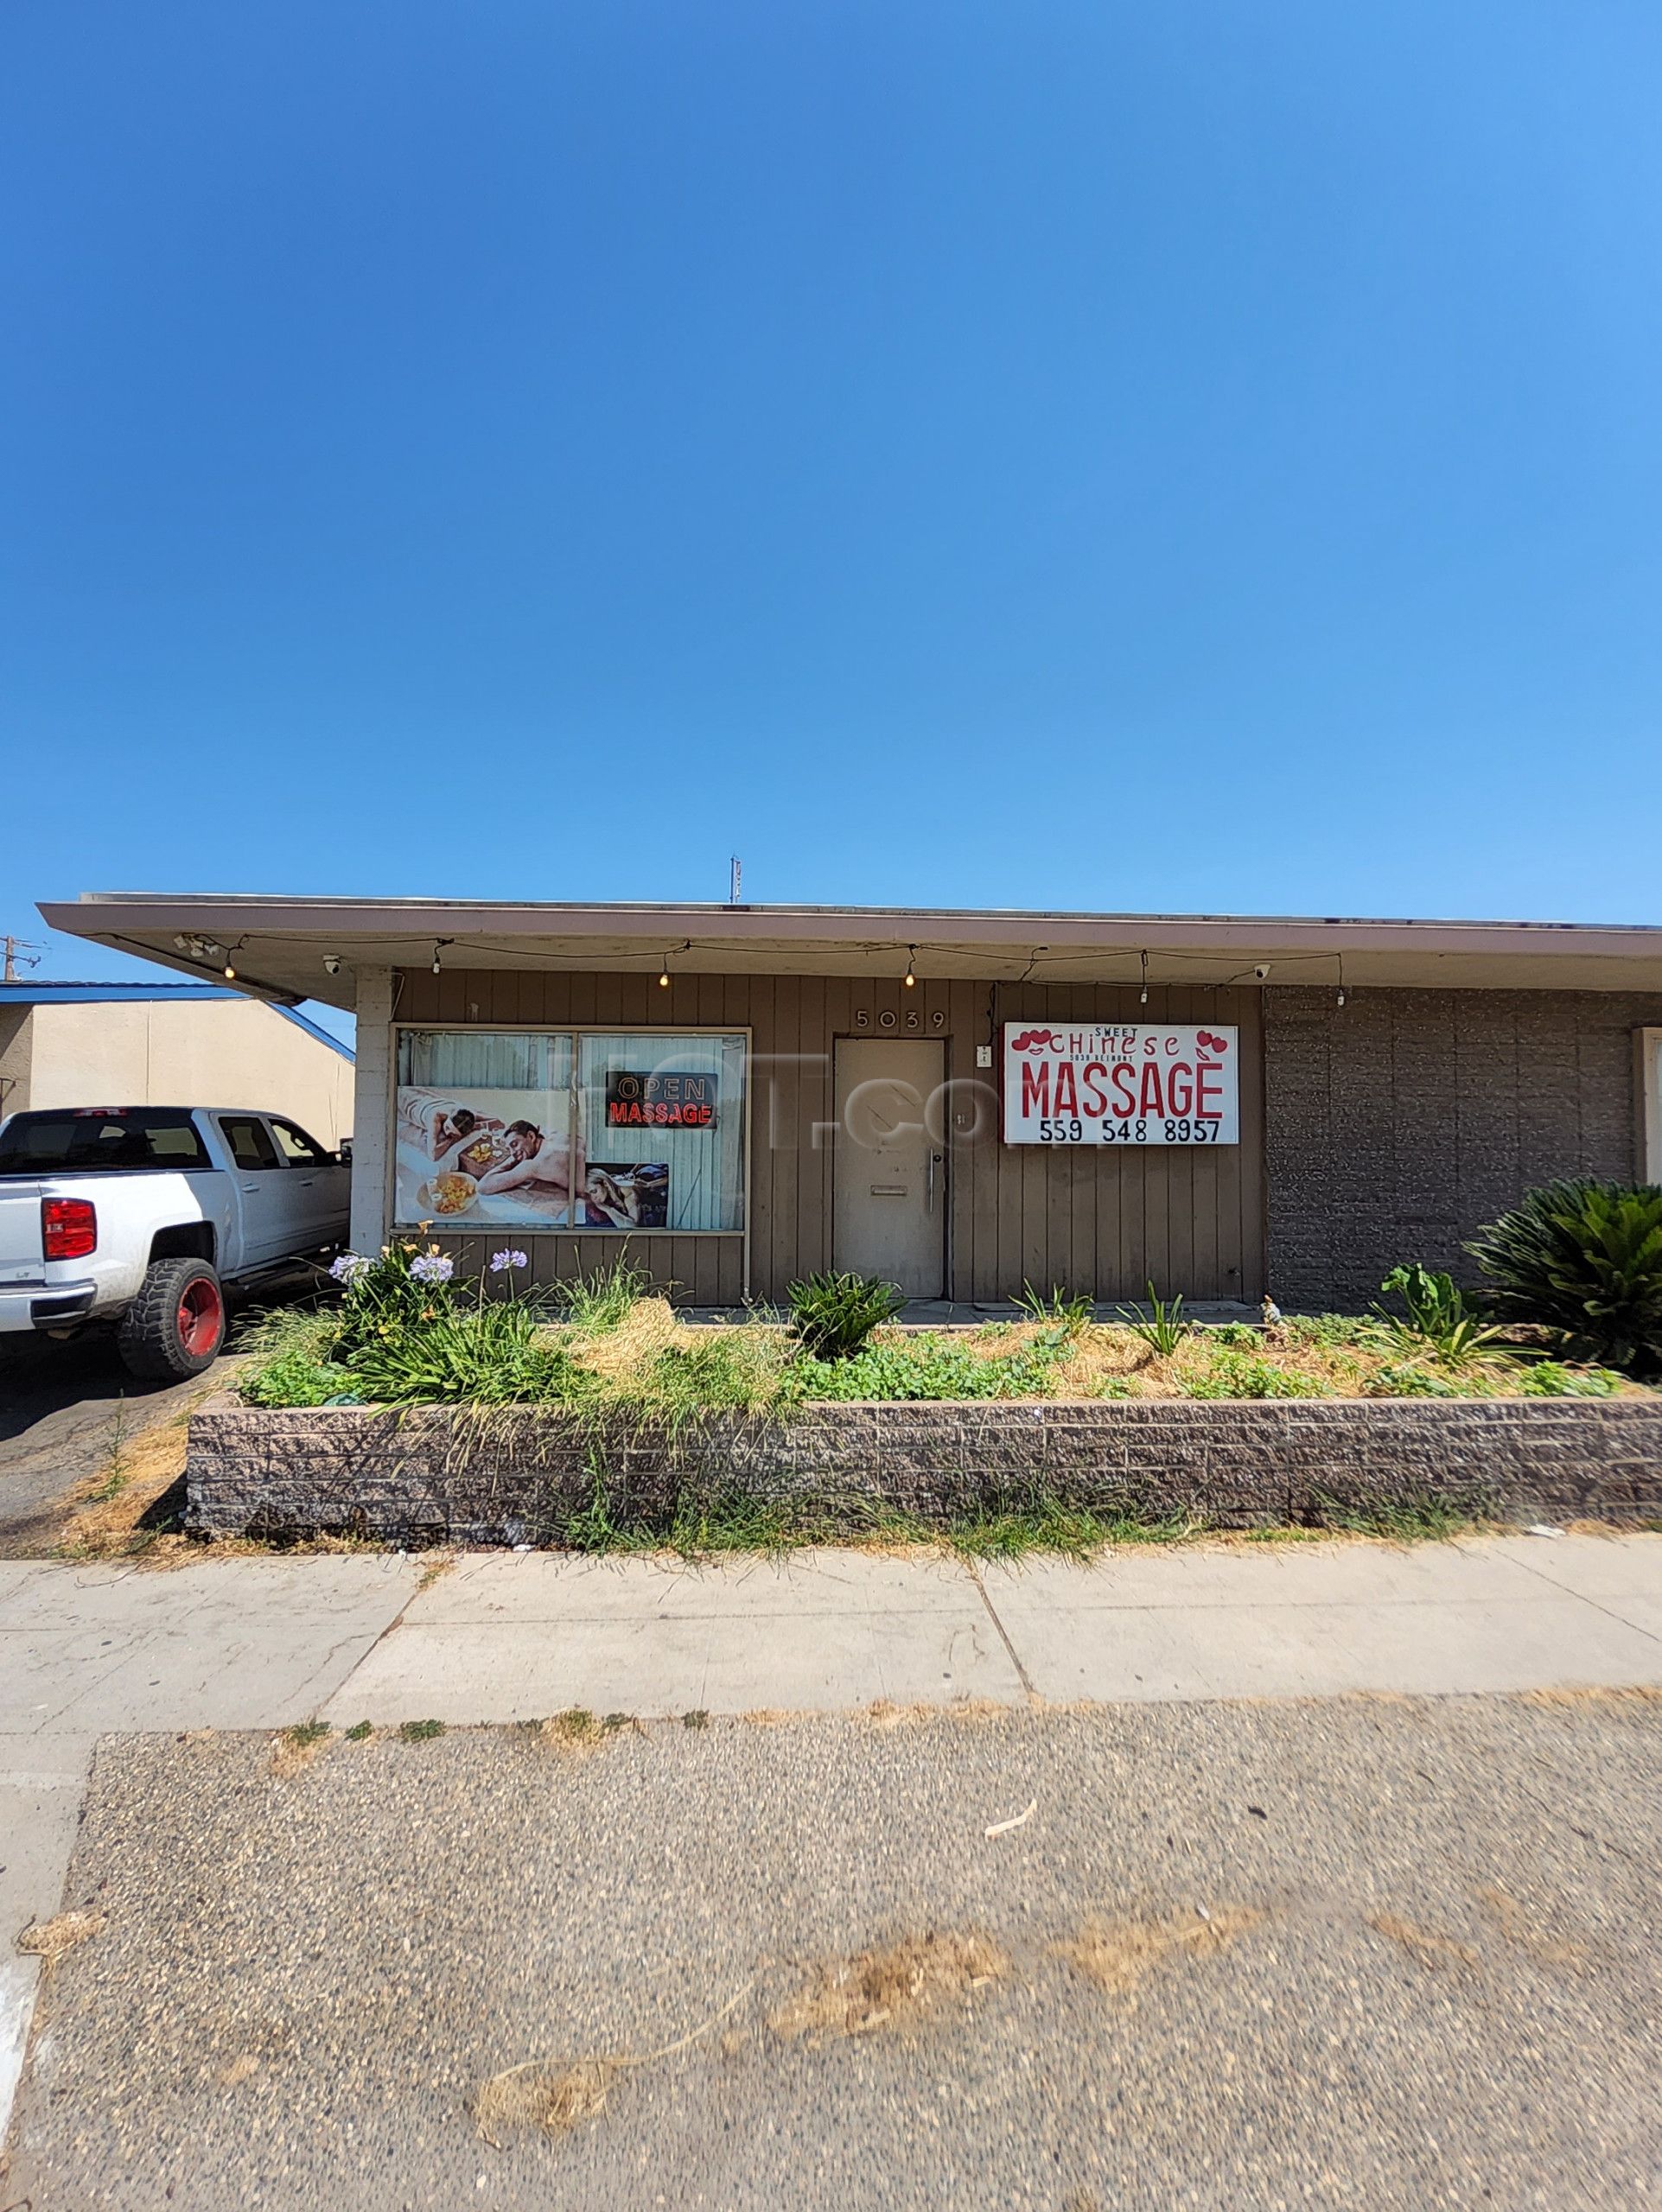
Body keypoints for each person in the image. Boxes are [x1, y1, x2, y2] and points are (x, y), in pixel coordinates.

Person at [476, 1120, 586, 1214]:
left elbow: (482, 1187)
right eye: (509, 1149)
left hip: (589, 1191)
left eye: (514, 1144)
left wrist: (513, 1160)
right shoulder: (554, 1135)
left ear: (531, 1136)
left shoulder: (533, 1165)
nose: (512, 1153)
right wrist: (518, 1150)